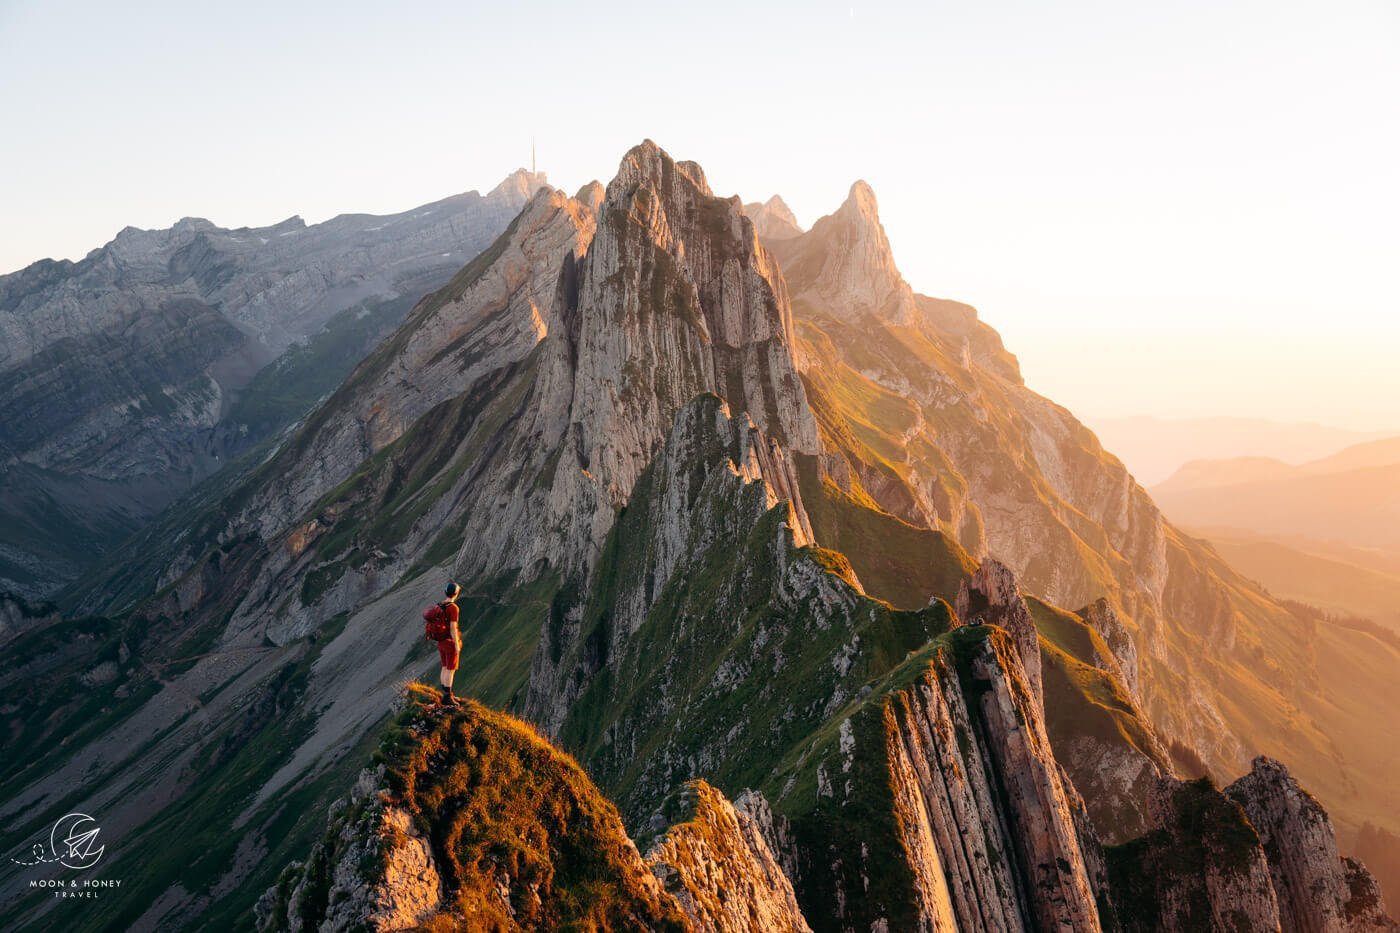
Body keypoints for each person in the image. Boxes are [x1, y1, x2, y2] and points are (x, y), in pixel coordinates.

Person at [436, 582, 462, 704]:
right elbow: (453, 627)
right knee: (451, 669)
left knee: (444, 667)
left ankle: (445, 693)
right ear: (456, 594)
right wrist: (456, 644)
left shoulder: (439, 605)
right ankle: (448, 697)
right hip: (449, 642)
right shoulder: (453, 608)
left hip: (441, 642)